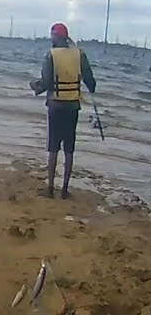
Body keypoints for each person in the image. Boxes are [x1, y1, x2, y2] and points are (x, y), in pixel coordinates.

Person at [30, 22, 96, 198]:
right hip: (72, 105)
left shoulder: (50, 55)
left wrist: (35, 86)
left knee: (53, 147)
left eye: (52, 35)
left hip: (55, 105)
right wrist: (91, 86)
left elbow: (46, 82)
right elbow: (90, 80)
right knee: (69, 148)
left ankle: (50, 188)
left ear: (56, 37)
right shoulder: (80, 54)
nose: (51, 38)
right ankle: (65, 190)